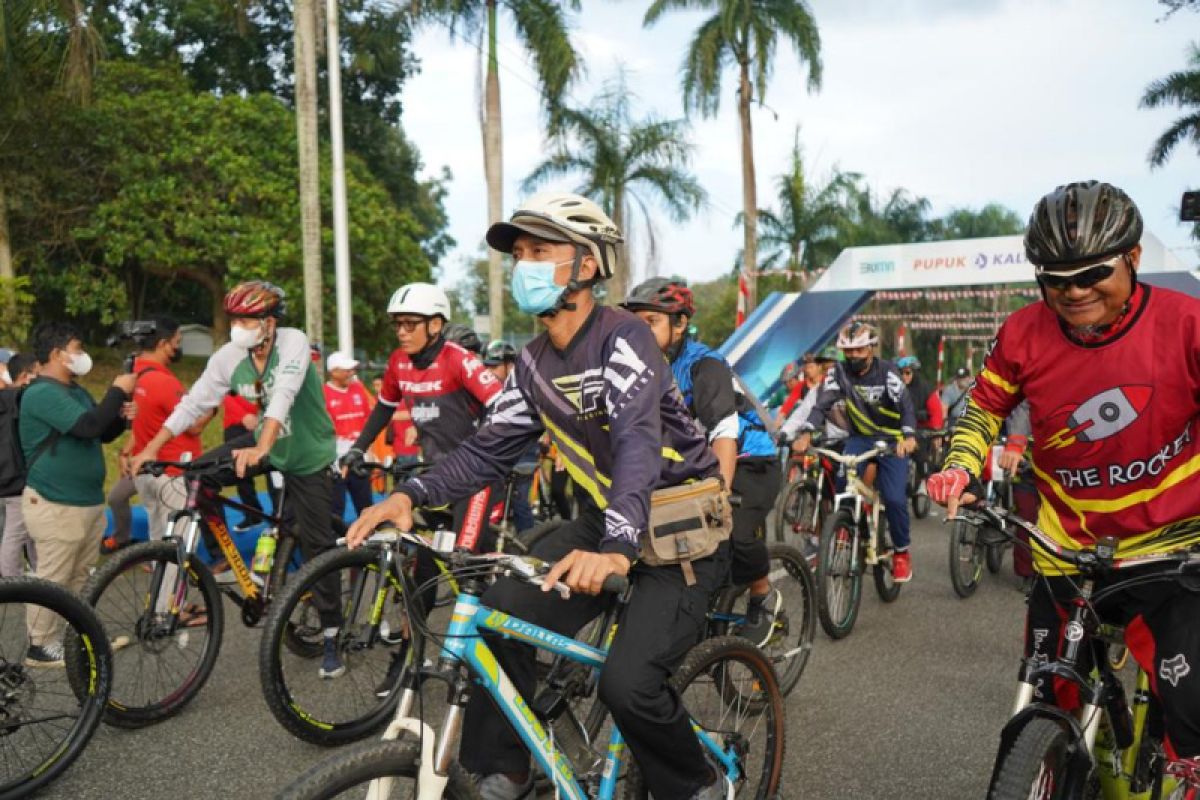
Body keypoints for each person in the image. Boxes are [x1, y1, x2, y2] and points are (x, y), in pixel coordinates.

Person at [346, 191, 733, 800]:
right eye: (518, 254)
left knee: (628, 685)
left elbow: (636, 439)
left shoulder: (625, 337)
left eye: (539, 251)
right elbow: (487, 449)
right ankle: (507, 770)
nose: (522, 265)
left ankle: (699, 782)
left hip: (679, 526)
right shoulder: (530, 363)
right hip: (609, 521)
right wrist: (411, 495)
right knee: (500, 615)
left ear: (586, 264)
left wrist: (618, 548)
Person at [926, 180, 1200, 766]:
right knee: (1047, 699)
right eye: (1055, 279)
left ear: (1133, 257)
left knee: (1193, 717)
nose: (1074, 291)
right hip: (1066, 548)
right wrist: (959, 466)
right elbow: (984, 409)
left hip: (1171, 549)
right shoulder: (1022, 332)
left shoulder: (1187, 324)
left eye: (1093, 273)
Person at [131, 281, 344, 679]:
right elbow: (194, 402)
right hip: (264, 440)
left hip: (305, 450)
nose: (238, 327)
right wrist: (151, 449)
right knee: (198, 475)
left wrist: (262, 446)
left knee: (318, 546)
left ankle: (333, 631)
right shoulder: (230, 355)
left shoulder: (293, 342)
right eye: (235, 320)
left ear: (270, 322)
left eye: (247, 320)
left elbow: (283, 393)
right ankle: (222, 557)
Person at [622, 277, 781, 645]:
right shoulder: (640, 365)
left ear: (680, 324)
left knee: (732, 530)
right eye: (635, 324)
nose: (640, 333)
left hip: (749, 457)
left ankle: (763, 595)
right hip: (695, 460)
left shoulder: (704, 365)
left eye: (651, 322)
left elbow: (724, 431)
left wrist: (718, 495)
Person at [338, 283, 502, 534]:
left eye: (410, 324)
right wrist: (358, 448)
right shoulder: (398, 361)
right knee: (413, 545)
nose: (401, 332)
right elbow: (384, 408)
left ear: (434, 325)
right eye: (397, 324)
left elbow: (502, 405)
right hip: (436, 470)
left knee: (464, 551)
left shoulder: (458, 359)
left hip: (475, 472)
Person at [20, 322, 137, 665]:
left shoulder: (75, 390)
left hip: (85, 501)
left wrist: (120, 417)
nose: (82, 355)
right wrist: (117, 390)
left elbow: (100, 431)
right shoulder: (42, 393)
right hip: (55, 501)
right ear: (58, 354)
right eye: (78, 348)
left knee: (79, 577)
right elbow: (88, 426)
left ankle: (78, 638)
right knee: (53, 578)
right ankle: (41, 645)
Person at [788, 321, 919, 582]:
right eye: (848, 351)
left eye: (859, 350)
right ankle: (846, 527)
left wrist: (908, 436)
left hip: (892, 440)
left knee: (894, 499)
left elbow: (906, 406)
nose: (853, 356)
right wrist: (806, 432)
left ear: (871, 348)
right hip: (860, 439)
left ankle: (901, 552)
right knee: (842, 487)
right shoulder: (838, 372)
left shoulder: (888, 372)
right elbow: (822, 404)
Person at [127, 318, 209, 545]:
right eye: (177, 342)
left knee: (157, 543)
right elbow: (193, 426)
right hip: (173, 473)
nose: (178, 347)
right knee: (179, 546)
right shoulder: (164, 381)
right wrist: (211, 408)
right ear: (163, 344)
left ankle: (159, 570)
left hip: (147, 470)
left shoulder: (132, 375)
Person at [482, 339, 539, 533]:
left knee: (519, 502)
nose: (489, 372)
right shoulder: (487, 391)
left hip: (523, 456)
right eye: (486, 367)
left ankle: (529, 542)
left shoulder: (524, 388)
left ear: (510, 365)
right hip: (497, 457)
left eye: (494, 367)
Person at [324, 351, 375, 520]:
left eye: (352, 369)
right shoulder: (323, 394)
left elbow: (367, 420)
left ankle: (370, 534)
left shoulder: (358, 388)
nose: (351, 373)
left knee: (366, 505)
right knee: (335, 507)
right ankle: (334, 536)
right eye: (346, 370)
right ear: (333, 372)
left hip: (359, 456)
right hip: (336, 459)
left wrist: (370, 450)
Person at [0, 353, 39, 577]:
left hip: (7, 474)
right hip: (17, 476)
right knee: (16, 532)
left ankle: (36, 575)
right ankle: (12, 582)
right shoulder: (19, 398)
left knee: (28, 530)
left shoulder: (6, 398)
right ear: (25, 376)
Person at [221, 389, 268, 530]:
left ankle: (281, 516)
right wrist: (242, 416)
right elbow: (225, 392)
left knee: (273, 469)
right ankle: (253, 515)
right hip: (235, 425)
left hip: (265, 422)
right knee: (240, 473)